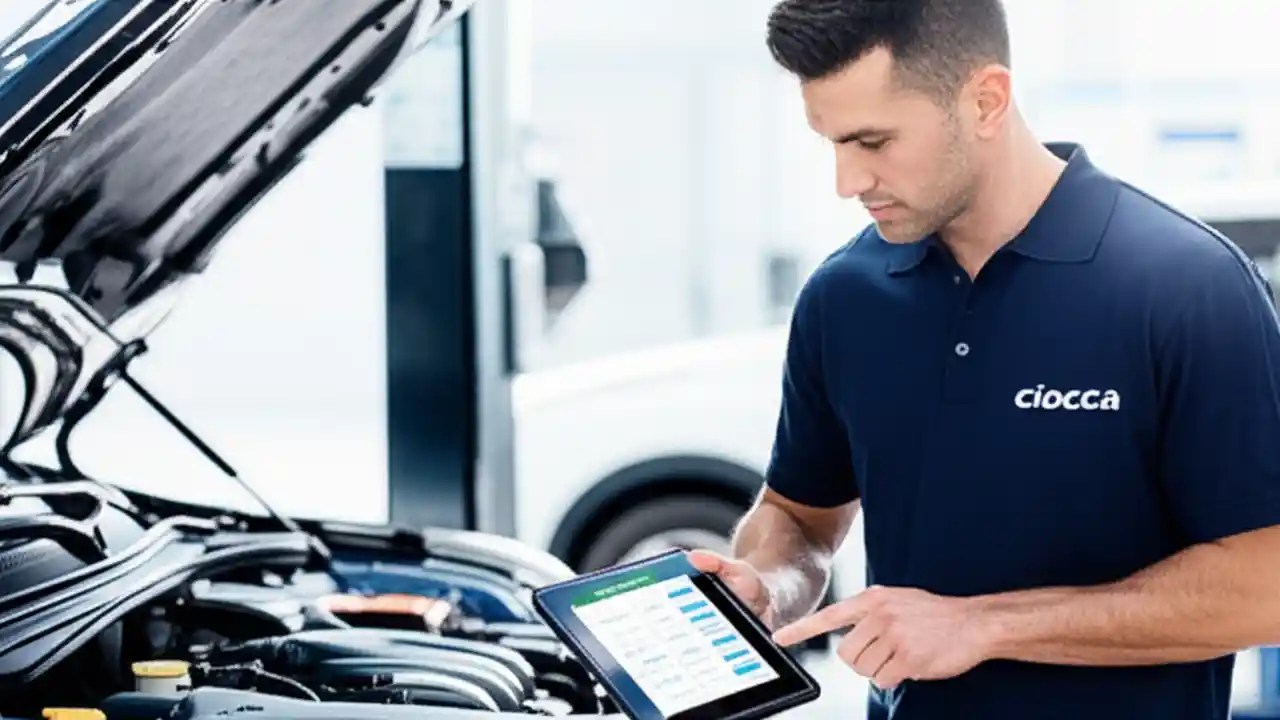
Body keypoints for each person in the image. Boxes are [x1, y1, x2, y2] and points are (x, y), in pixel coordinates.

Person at [686, 1, 1280, 719]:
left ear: (986, 100)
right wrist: (767, 585)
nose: (848, 180)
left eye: (874, 142)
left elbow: (1265, 585)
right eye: (832, 142)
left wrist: (985, 625)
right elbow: (800, 518)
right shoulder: (844, 297)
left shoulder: (1188, 286)